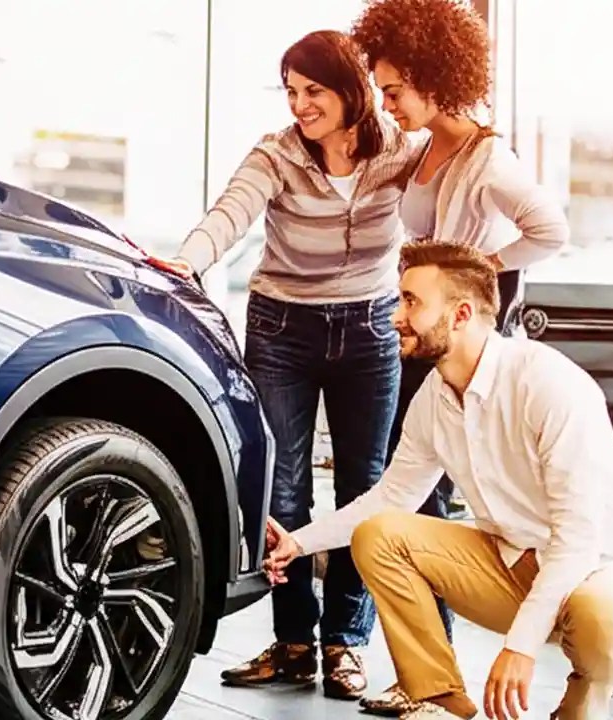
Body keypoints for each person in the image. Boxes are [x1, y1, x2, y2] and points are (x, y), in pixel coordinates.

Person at [262, 241, 613, 720]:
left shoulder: (548, 383)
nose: (396, 316)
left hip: (607, 575)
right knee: (382, 535)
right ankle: (439, 700)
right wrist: (299, 543)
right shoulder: (435, 397)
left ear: (460, 314)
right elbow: (392, 496)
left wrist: (519, 648)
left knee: (603, 619)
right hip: (515, 564)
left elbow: (577, 539)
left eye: (412, 301)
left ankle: (582, 700)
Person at [158, 29, 422, 700]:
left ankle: (345, 645)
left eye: (314, 92)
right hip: (283, 326)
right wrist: (191, 257)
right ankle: (295, 642)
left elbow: (452, 183)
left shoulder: (398, 151)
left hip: (371, 328)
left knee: (366, 482)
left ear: (350, 90)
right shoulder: (277, 153)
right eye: (293, 92)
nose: (300, 106)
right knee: (284, 486)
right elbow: (231, 213)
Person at [348, 3, 571, 710]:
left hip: (456, 339)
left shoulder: (488, 156)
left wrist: (480, 265)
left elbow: (551, 229)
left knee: (423, 497)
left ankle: (428, 681)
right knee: (410, 490)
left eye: (394, 91)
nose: (388, 104)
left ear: (435, 80)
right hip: (420, 335)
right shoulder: (423, 150)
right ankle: (424, 674)